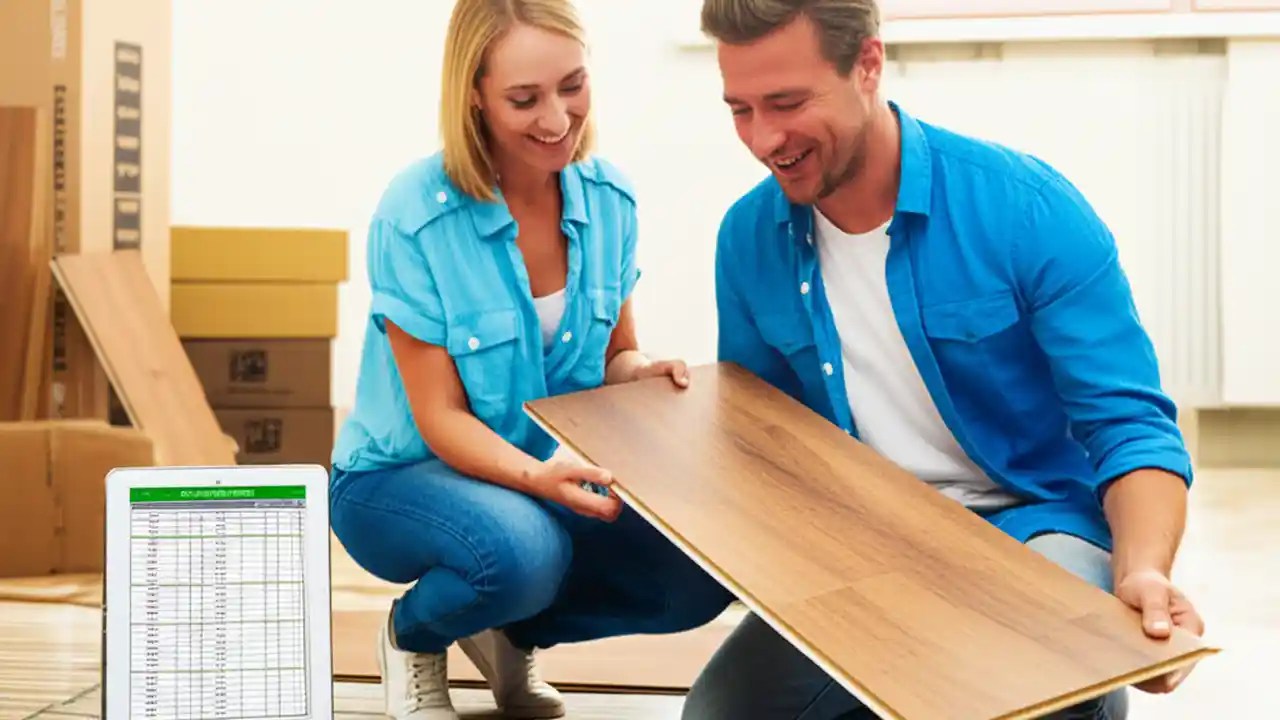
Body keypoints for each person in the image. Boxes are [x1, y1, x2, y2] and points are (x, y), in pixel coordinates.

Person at [682, 1, 1206, 718]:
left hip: (1034, 533)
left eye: (788, 102)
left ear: (868, 64)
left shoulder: (1027, 209)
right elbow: (764, 448)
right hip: (866, 559)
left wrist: (1143, 569)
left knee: (1024, 674)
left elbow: (1130, 425)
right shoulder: (747, 239)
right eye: (740, 109)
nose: (764, 138)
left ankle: (1084, 690)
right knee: (720, 714)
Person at [328, 1, 734, 718]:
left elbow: (612, 354)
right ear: (474, 96)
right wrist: (538, 480)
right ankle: (411, 635)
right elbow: (439, 418)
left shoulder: (608, 199)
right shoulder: (417, 212)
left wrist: (639, 372)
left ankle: (508, 627)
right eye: (525, 98)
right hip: (398, 479)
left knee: (698, 568)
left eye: (572, 86)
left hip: (535, 481)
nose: (557, 117)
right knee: (523, 553)